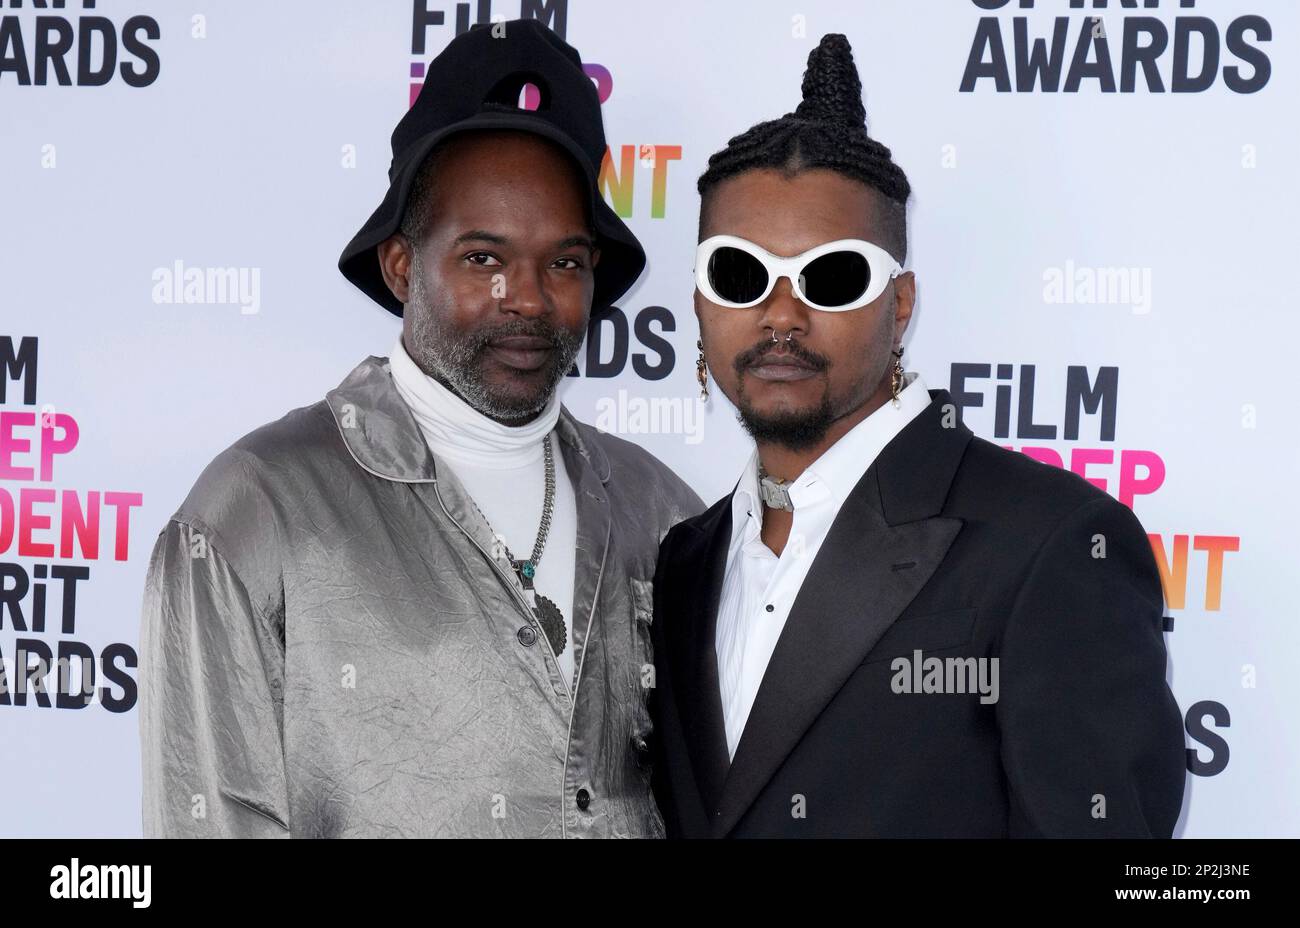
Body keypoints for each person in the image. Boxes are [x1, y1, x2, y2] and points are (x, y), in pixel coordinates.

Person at [139, 19, 700, 838]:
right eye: (483, 258)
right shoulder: (254, 514)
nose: (530, 298)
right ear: (403, 265)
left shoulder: (666, 514)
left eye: (566, 262)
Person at [649, 33, 1185, 838]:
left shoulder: (1050, 546)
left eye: (833, 277)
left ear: (899, 306)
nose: (782, 314)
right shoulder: (685, 559)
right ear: (698, 303)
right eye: (739, 273)